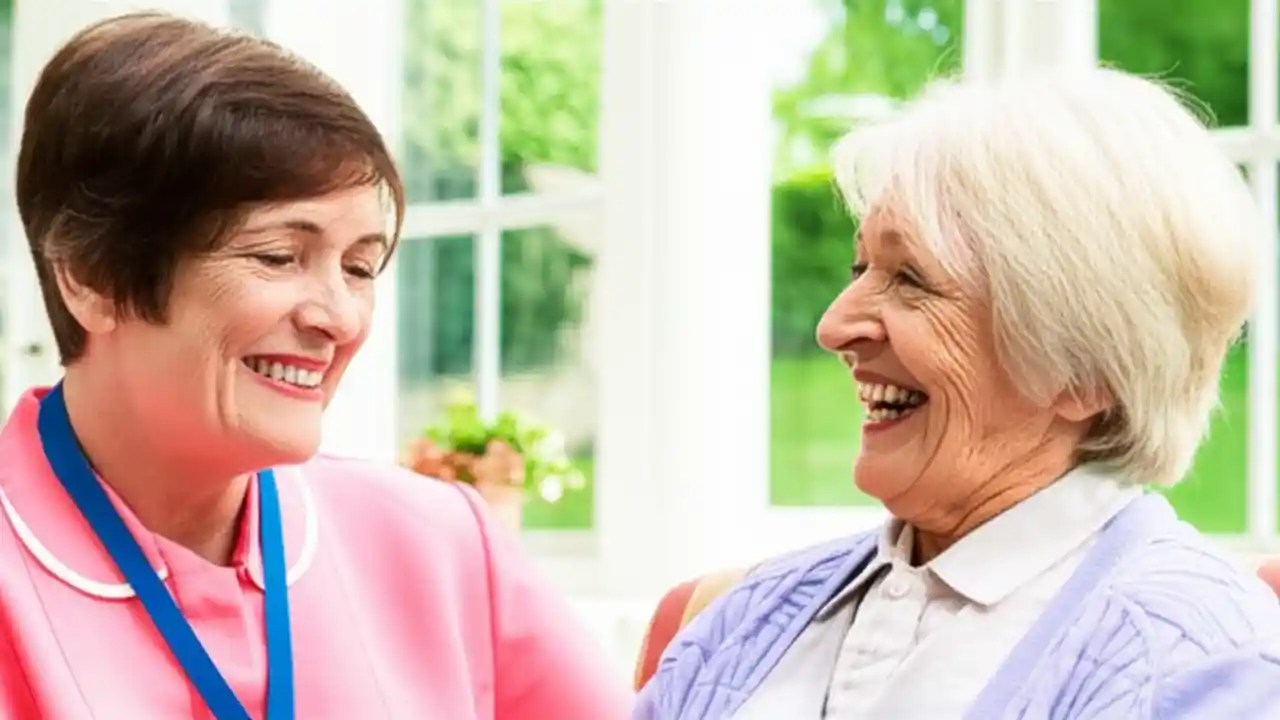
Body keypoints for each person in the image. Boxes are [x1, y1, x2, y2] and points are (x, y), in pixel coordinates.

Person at [0, 13, 630, 719]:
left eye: (360, 267)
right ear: (92, 275)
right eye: (277, 257)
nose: (340, 318)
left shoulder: (441, 546)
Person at [634, 67, 1280, 719]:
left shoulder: (1207, 662)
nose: (834, 327)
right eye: (860, 268)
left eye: (912, 279)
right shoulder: (744, 620)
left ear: (1082, 370)